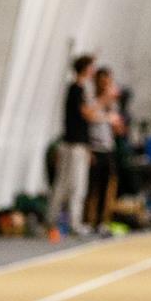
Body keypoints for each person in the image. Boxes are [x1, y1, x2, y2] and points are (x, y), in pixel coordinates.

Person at [52, 55, 95, 236]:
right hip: (73, 145)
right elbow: (88, 114)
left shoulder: (79, 89)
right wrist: (105, 101)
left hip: (77, 145)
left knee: (68, 184)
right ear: (85, 69)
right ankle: (67, 222)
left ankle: (60, 220)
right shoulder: (76, 89)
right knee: (73, 185)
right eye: (92, 67)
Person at [83, 66, 124, 234]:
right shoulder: (92, 100)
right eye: (103, 81)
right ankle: (86, 221)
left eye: (108, 81)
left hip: (108, 148)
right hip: (94, 148)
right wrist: (104, 100)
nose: (106, 84)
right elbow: (87, 117)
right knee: (90, 187)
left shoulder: (113, 105)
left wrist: (117, 124)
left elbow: (119, 130)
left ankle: (101, 221)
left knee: (105, 186)